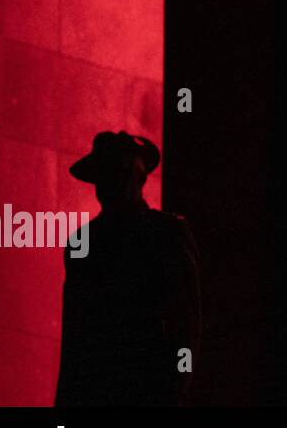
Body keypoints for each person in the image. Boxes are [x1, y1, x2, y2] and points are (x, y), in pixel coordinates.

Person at [55, 131, 201, 406]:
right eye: (105, 175)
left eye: (120, 173)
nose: (111, 183)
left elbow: (186, 322)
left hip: (148, 388)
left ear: (140, 179)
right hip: (98, 392)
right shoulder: (83, 243)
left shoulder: (167, 234)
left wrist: (176, 390)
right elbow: (75, 335)